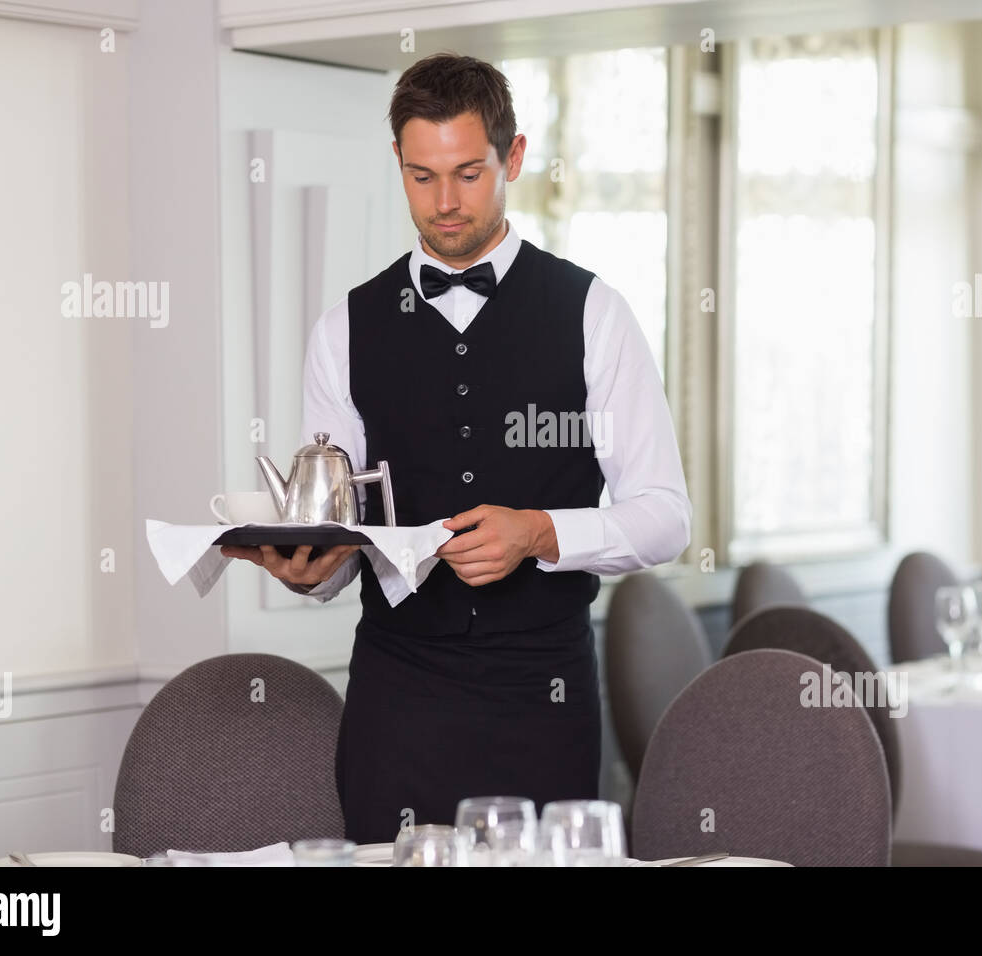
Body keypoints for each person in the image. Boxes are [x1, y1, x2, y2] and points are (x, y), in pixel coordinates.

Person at [221, 52, 691, 845]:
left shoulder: (593, 314)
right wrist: (312, 570)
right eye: (421, 176)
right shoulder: (345, 328)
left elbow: (666, 518)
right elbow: (346, 531)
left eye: (469, 174)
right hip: (396, 703)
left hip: (543, 700)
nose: (444, 203)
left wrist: (540, 532)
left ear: (513, 157)